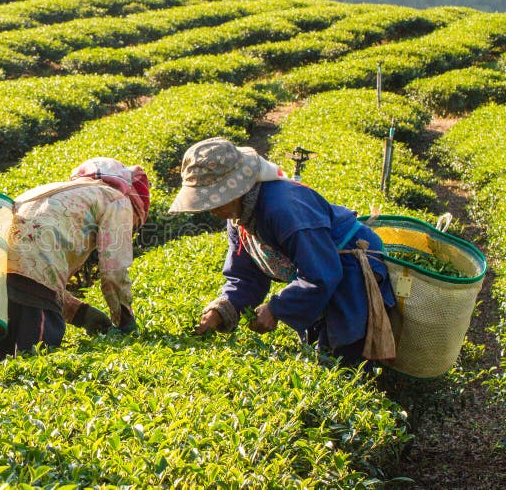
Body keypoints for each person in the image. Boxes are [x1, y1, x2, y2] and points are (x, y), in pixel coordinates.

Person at [169, 137, 396, 367]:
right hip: (324, 273)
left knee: (345, 356)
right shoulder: (238, 218)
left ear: (236, 189)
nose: (210, 209)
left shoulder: (284, 208)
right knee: (322, 350)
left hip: (351, 270)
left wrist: (276, 309)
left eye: (212, 200)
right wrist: (223, 310)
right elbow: (245, 277)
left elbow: (321, 273)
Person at [0, 157, 150, 359]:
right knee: (35, 360)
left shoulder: (57, 190)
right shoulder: (118, 200)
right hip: (32, 282)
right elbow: (114, 270)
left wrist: (80, 313)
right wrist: (125, 319)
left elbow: (31, 274)